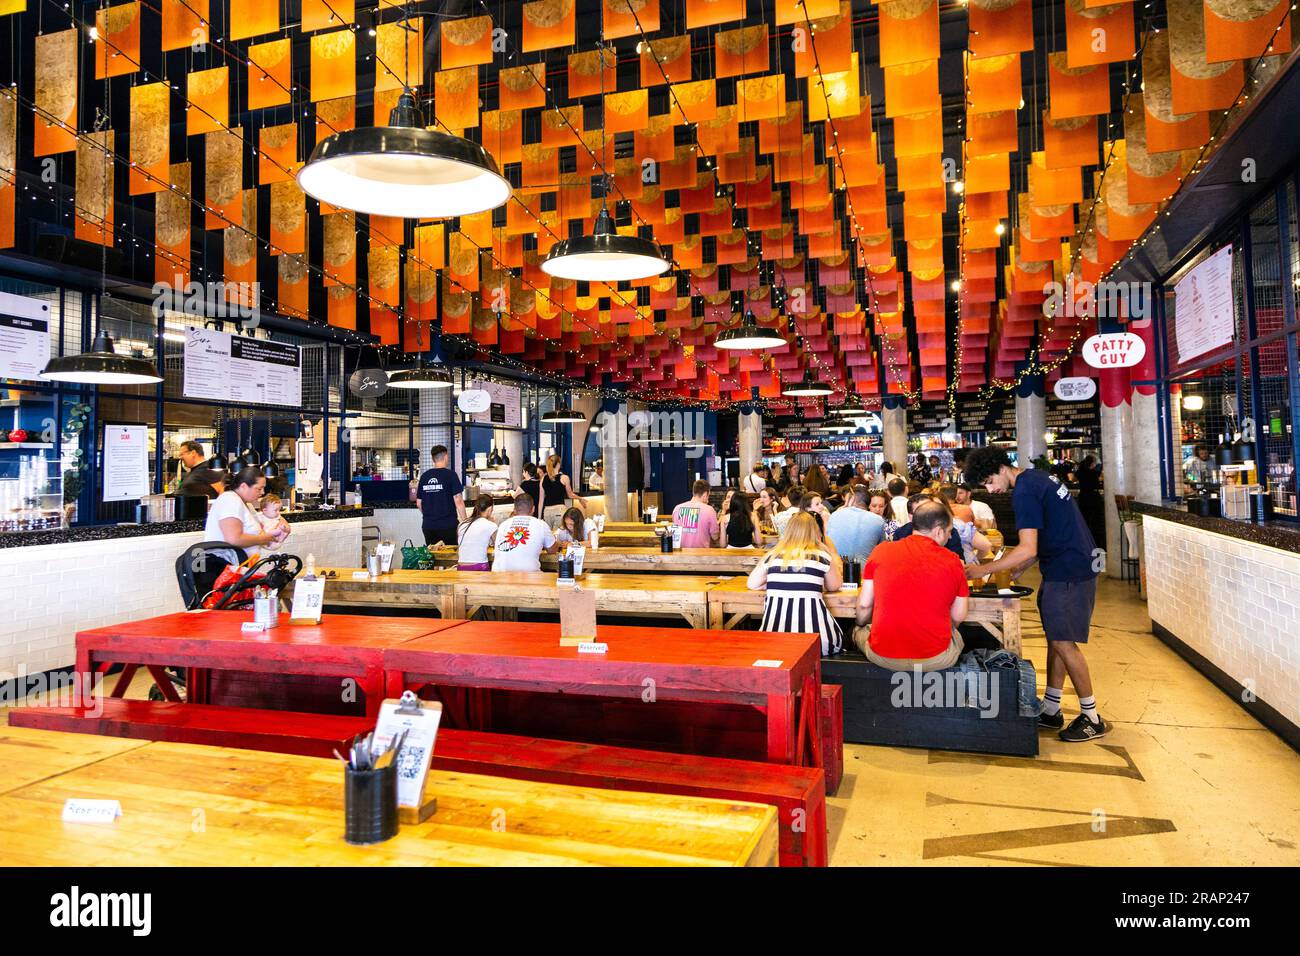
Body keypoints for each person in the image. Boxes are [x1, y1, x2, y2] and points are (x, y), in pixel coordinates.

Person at [964, 446, 1108, 742]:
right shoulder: (1037, 478)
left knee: (1065, 644)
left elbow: (1028, 547)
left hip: (1069, 571)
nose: (992, 489)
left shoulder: (1024, 492)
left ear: (1002, 468)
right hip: (1069, 565)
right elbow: (1043, 540)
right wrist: (1016, 569)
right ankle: (1052, 708)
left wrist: (982, 571)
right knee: (1056, 638)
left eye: (990, 481)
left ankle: (1092, 716)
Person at [853, 499, 968, 671]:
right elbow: (958, 616)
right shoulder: (953, 561)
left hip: (883, 656)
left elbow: (863, 605)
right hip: (935, 658)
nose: (950, 536)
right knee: (957, 637)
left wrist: (860, 625)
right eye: (949, 531)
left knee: (859, 632)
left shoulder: (881, 551)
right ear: (938, 531)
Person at [747, 512, 844, 656]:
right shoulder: (821, 556)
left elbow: (752, 584)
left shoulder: (773, 556)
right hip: (819, 642)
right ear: (814, 530)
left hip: (773, 641)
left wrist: (773, 582)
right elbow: (834, 586)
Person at [204, 466, 285, 568]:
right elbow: (233, 539)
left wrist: (280, 527)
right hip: (223, 569)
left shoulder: (248, 506)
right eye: (259, 488)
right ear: (243, 486)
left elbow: (260, 534)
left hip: (243, 568)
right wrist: (264, 539)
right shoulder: (230, 500)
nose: (263, 492)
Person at [491, 493, 559, 572]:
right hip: (529, 578)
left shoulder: (504, 524)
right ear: (533, 509)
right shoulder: (541, 525)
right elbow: (552, 550)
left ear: (514, 509)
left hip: (499, 576)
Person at [416, 445, 465, 546]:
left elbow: (419, 503)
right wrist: (465, 521)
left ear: (432, 459)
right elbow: (458, 500)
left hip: (428, 526)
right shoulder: (451, 475)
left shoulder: (424, 476)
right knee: (450, 557)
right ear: (446, 456)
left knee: (433, 557)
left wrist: (430, 516)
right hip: (448, 525)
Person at [826, 484, 885, 567]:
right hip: (864, 573)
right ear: (868, 504)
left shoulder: (834, 515)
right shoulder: (878, 520)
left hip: (835, 570)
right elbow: (882, 551)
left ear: (852, 499)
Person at [670, 479, 720, 548]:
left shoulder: (677, 508)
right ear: (705, 494)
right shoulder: (709, 510)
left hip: (680, 554)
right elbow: (715, 537)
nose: (708, 499)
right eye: (709, 496)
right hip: (701, 556)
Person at [456, 497, 499, 571]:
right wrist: (493, 523)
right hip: (479, 567)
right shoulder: (491, 525)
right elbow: (498, 547)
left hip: (460, 567)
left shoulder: (462, 524)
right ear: (490, 508)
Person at [1075, 454, 1106, 549]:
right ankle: (1097, 544)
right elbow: (1102, 478)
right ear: (1092, 463)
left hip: (1083, 497)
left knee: (1085, 520)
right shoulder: (1095, 473)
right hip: (1094, 498)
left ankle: (1085, 543)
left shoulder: (1079, 472)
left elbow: (1073, 478)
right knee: (1097, 522)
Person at [541, 454, 575, 527]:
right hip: (560, 510)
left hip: (547, 511)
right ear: (558, 464)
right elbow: (570, 495)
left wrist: (539, 517)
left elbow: (541, 500)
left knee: (548, 536)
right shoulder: (564, 478)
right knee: (558, 535)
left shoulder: (543, 479)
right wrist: (581, 498)